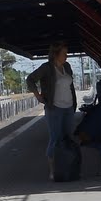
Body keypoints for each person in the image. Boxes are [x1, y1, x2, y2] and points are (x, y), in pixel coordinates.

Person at [26, 41, 78, 170]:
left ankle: (67, 167)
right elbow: (30, 79)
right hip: (54, 108)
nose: (66, 56)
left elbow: (70, 86)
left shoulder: (67, 67)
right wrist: (38, 95)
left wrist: (74, 103)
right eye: (64, 53)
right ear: (55, 54)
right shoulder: (46, 68)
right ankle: (53, 170)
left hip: (69, 107)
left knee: (69, 138)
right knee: (55, 139)